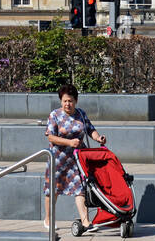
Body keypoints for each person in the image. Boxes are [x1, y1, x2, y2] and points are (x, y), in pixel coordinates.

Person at [42, 84, 107, 232]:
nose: (67, 104)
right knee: (53, 190)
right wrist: (69, 142)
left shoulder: (81, 114)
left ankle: (86, 222)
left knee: (80, 189)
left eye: (70, 101)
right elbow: (51, 137)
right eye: (64, 101)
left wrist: (99, 138)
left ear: (76, 101)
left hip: (77, 159)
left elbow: (90, 129)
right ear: (61, 101)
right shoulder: (55, 115)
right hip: (58, 159)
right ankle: (48, 219)